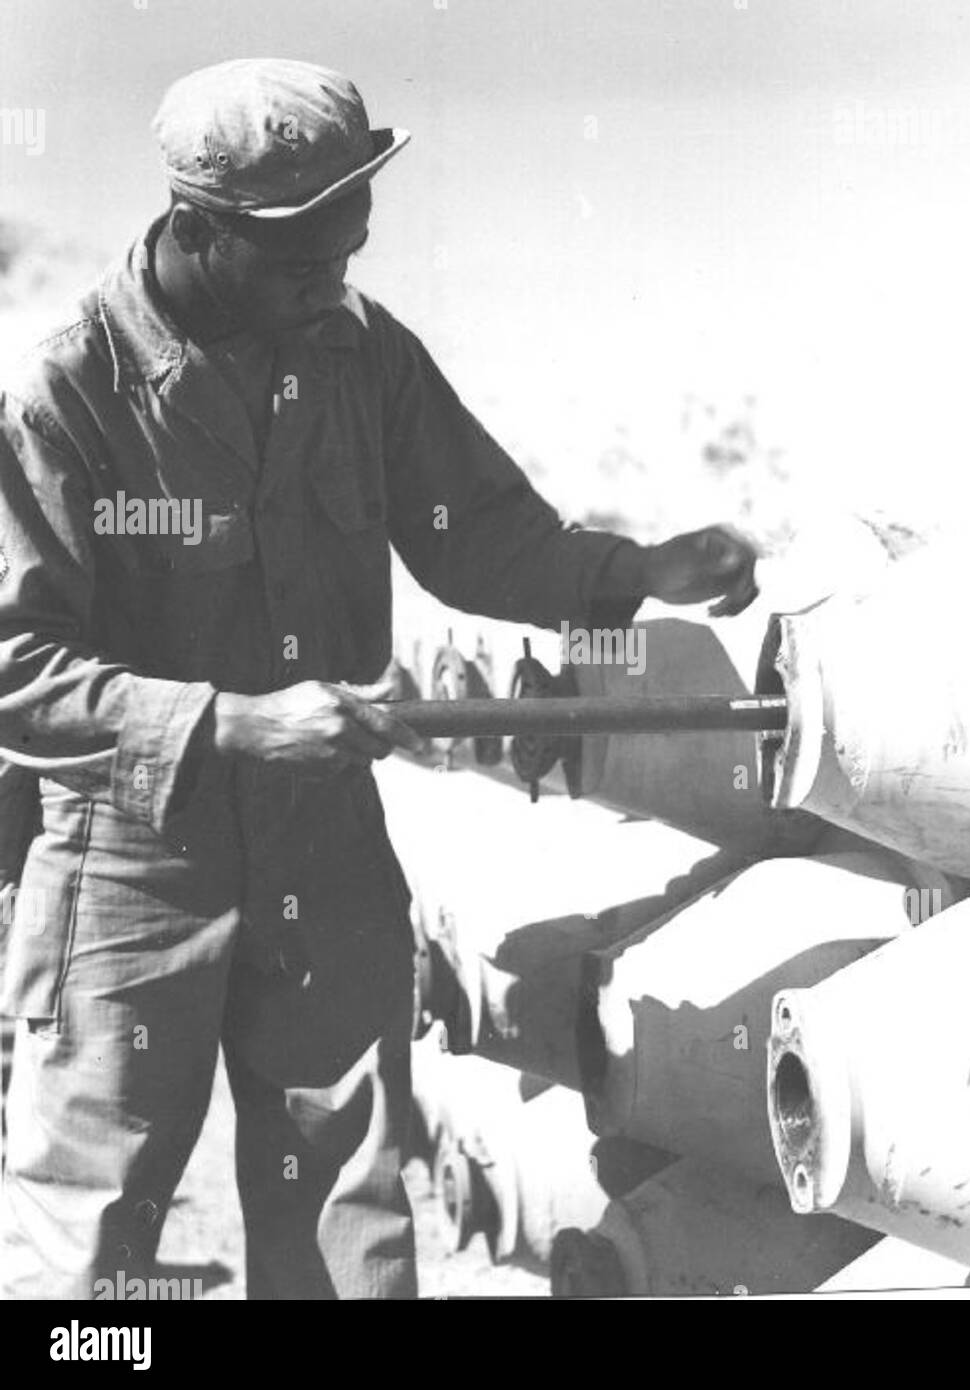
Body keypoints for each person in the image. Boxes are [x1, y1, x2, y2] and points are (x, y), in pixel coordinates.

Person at [0, 58, 758, 1299]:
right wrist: (232, 722)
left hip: (322, 837)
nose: (334, 289)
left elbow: (475, 533)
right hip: (129, 859)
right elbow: (13, 666)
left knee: (345, 1203)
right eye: (304, 264)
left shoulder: (355, 349)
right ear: (199, 230)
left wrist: (636, 570)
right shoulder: (63, 397)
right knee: (92, 1240)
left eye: (348, 253)